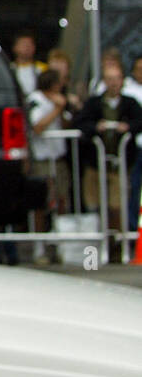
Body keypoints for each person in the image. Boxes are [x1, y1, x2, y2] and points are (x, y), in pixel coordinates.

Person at [71, 60, 142, 260]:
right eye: (109, 79)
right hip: (96, 164)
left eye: (117, 79)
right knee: (94, 206)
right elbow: (81, 122)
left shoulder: (129, 103)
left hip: (119, 163)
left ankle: (118, 250)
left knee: (117, 206)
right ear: (104, 81)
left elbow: (139, 120)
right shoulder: (94, 103)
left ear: (122, 81)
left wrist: (127, 127)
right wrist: (96, 127)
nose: (113, 83)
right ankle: (93, 254)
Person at [25, 69, 69, 262]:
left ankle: (60, 246)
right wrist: (57, 109)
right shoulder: (35, 100)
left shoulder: (60, 99)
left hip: (58, 159)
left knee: (61, 201)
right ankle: (39, 249)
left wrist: (64, 108)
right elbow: (37, 126)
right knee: (41, 204)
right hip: (42, 161)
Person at [9, 32, 45, 97]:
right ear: (15, 47)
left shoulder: (43, 69)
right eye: (24, 44)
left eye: (30, 44)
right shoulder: (9, 68)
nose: (27, 47)